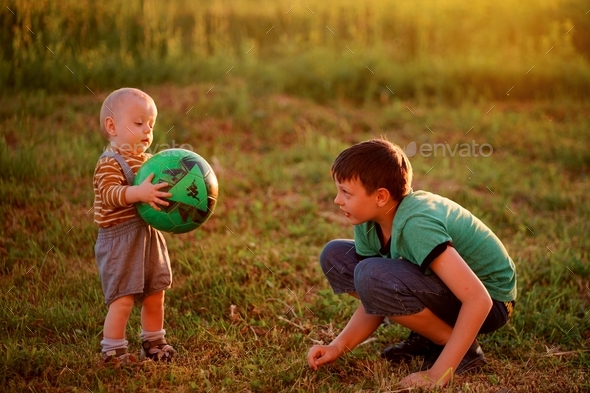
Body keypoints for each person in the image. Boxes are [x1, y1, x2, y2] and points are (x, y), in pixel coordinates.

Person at [306, 138, 516, 388]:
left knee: (370, 272)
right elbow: (372, 291)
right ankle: (431, 334)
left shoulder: (417, 224)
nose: (337, 200)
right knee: (335, 256)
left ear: (381, 196)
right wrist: (337, 346)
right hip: (454, 292)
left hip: (493, 302)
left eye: (346, 193)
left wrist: (438, 374)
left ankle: (461, 349)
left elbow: (479, 299)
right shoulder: (367, 221)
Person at [93, 87, 176, 364]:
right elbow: (109, 195)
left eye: (151, 125)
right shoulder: (109, 162)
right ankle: (113, 351)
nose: (147, 131)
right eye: (139, 123)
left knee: (155, 293)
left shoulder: (149, 162)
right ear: (112, 126)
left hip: (148, 235)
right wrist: (138, 193)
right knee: (123, 297)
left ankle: (154, 342)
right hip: (119, 240)